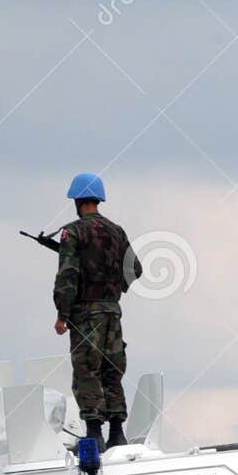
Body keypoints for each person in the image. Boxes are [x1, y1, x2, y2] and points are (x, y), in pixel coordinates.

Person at [53, 173, 142, 450]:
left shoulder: (73, 232)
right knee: (112, 370)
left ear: (78, 201)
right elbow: (135, 268)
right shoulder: (117, 231)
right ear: (98, 199)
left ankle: (94, 433)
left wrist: (62, 314)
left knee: (87, 370)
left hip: (84, 315)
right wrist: (113, 288)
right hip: (112, 314)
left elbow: (67, 276)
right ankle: (117, 432)